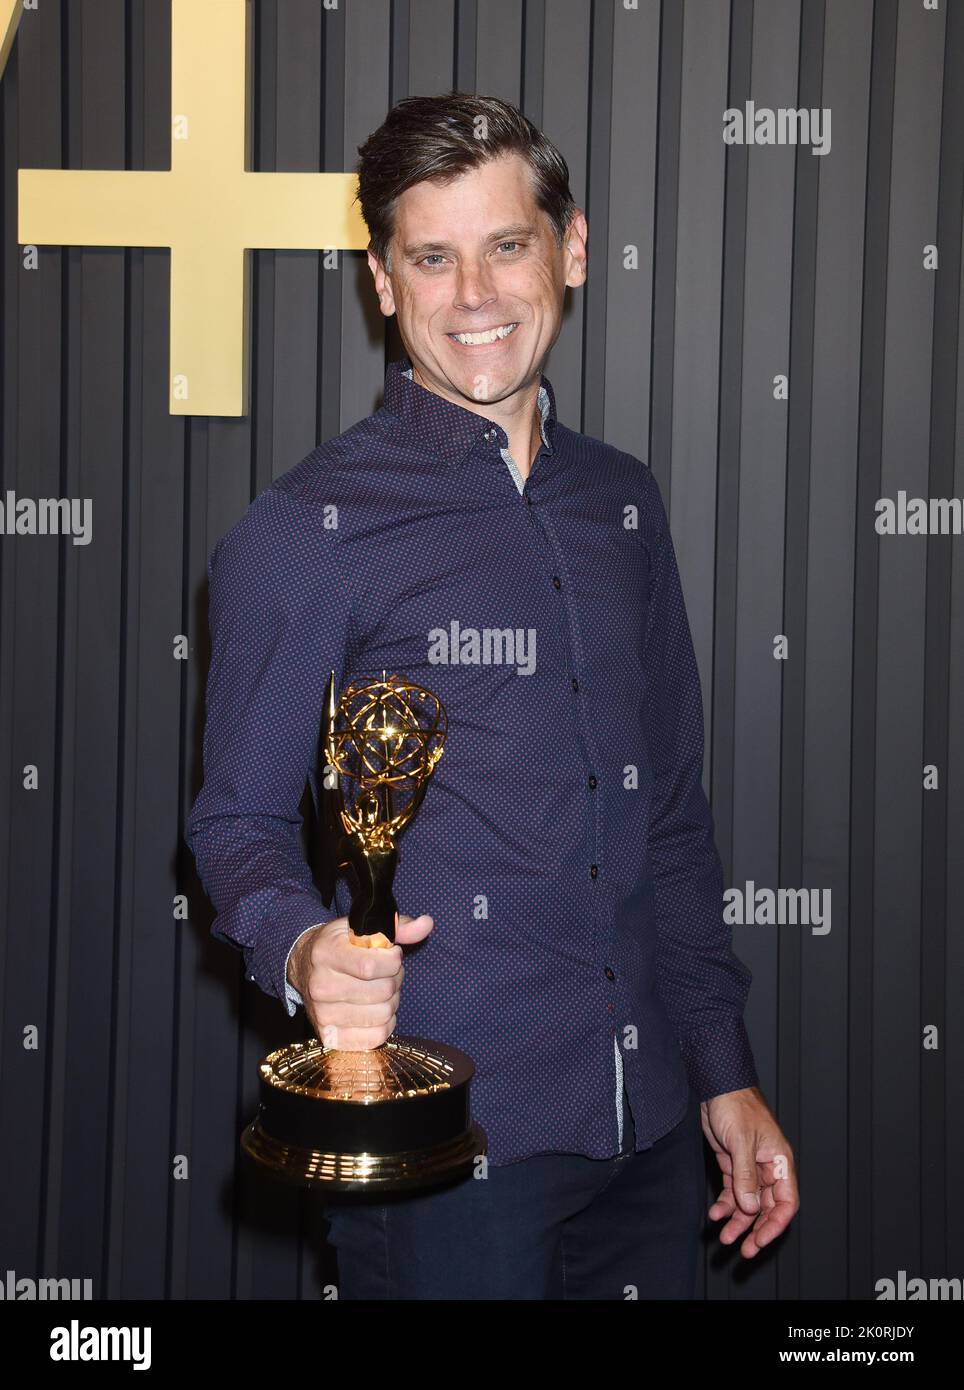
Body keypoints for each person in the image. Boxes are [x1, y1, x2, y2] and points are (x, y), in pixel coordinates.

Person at [185, 90, 800, 1300]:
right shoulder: (307, 528)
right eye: (432, 256)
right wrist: (304, 942)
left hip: (652, 1134)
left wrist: (721, 1069)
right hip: (450, 1147)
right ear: (382, 279)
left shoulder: (623, 504)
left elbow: (668, 814)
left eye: (506, 245)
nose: (474, 295)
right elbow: (235, 825)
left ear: (569, 249)